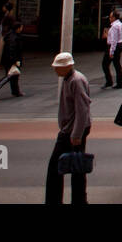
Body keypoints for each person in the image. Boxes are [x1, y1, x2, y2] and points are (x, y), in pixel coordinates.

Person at [46, 52, 91, 205]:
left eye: (58, 67)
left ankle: (56, 200)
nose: (56, 70)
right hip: (72, 129)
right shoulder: (70, 79)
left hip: (72, 130)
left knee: (57, 166)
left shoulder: (76, 81)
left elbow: (82, 109)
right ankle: (79, 200)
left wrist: (76, 134)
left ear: (68, 66)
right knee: (76, 166)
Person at [0, 19, 24, 98]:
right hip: (12, 60)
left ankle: (15, 92)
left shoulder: (10, 35)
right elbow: (12, 50)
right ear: (18, 28)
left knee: (12, 76)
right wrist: (15, 61)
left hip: (8, 60)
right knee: (10, 76)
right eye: (21, 27)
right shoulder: (14, 38)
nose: (22, 29)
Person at [103, 10, 122, 89]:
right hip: (119, 45)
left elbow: (114, 40)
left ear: (114, 17)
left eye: (111, 17)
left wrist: (111, 51)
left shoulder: (115, 26)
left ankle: (110, 81)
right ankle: (119, 82)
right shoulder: (120, 24)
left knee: (105, 64)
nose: (109, 18)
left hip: (114, 46)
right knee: (117, 64)